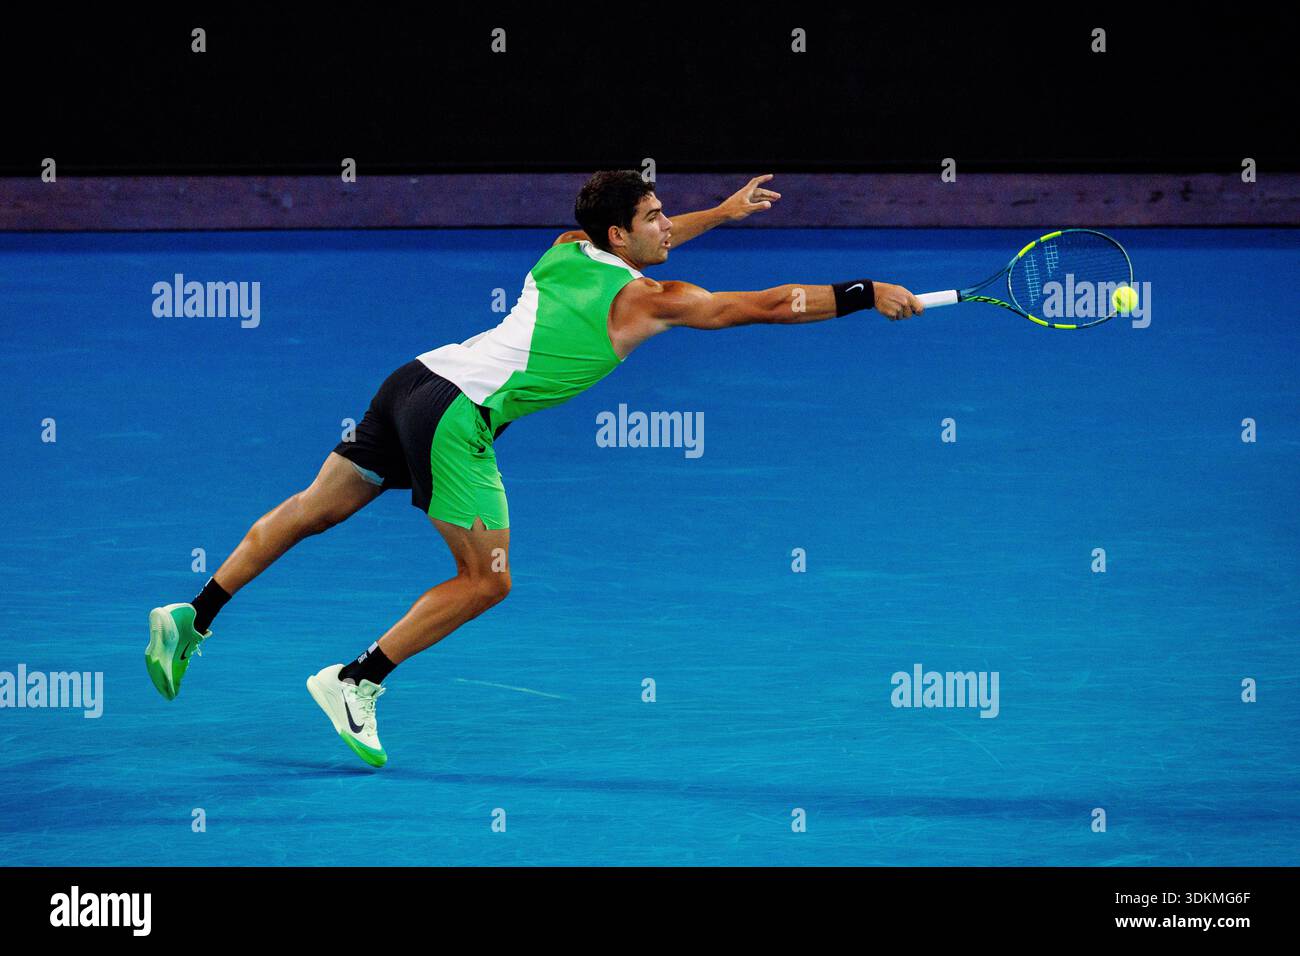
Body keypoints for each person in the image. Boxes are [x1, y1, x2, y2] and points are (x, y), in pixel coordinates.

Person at [145, 171, 923, 767]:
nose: (667, 224)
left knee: (315, 507)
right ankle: (356, 679)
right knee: (486, 581)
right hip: (458, 419)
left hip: (416, 379)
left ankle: (194, 613)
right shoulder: (649, 301)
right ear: (619, 233)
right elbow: (764, 305)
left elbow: (646, 242)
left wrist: (719, 213)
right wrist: (865, 292)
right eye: (655, 216)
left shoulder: (566, 247)